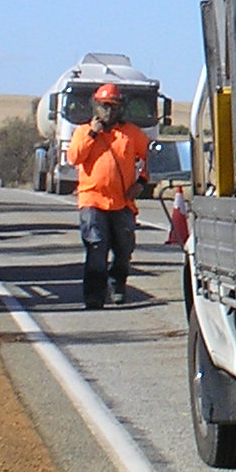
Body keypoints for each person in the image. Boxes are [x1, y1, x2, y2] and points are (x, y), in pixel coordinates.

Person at [68, 81, 149, 308]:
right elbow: (74, 157)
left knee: (124, 249)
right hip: (92, 200)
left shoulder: (132, 134)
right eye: (104, 105)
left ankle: (117, 285)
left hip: (123, 202)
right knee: (96, 247)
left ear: (120, 108)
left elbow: (149, 159)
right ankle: (94, 295)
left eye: (113, 106)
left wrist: (141, 182)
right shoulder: (83, 132)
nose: (109, 110)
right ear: (95, 106)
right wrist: (92, 133)